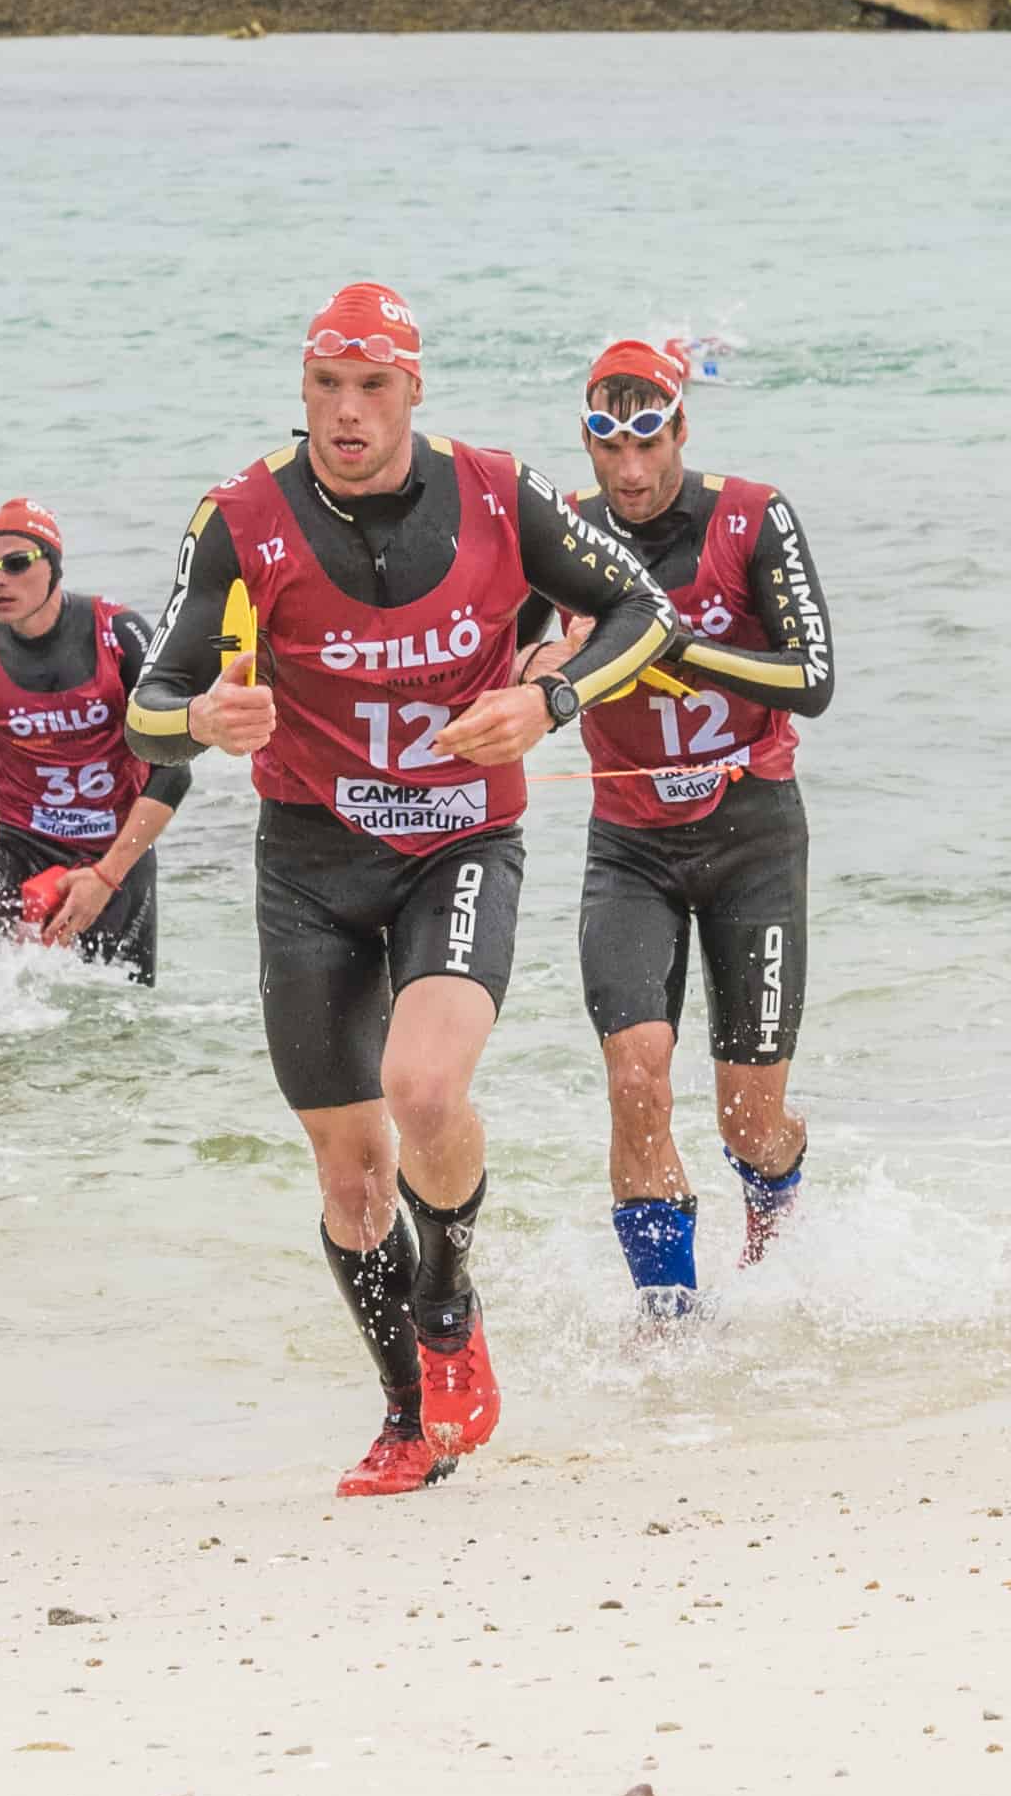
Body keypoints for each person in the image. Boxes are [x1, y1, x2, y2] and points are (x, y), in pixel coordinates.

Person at [131, 285, 677, 1495]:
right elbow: (146, 700)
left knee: (424, 1090)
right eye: (325, 384)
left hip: (458, 842)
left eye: (372, 386)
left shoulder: (496, 489)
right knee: (349, 1176)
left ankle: (447, 1305)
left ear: (413, 392)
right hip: (311, 857)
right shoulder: (239, 517)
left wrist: (547, 698)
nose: (346, 412)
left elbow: (647, 608)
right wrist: (207, 718)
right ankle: (403, 1417)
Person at [548, 336, 839, 1321]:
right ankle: (669, 1323)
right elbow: (491, 674)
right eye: (606, 446)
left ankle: (776, 1236)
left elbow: (813, 678)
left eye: (648, 443)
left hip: (752, 836)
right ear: (587, 445)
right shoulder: (560, 535)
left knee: (748, 1116)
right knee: (635, 1078)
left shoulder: (753, 517)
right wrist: (555, 663)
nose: (630, 472)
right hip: (628, 846)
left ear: (680, 428)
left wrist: (671, 643)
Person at [0, 496, 172, 981]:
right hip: (14, 841)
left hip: (114, 844)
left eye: (17, 564)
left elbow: (174, 770)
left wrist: (108, 876)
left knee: (122, 1014)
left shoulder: (120, 635)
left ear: (55, 566)